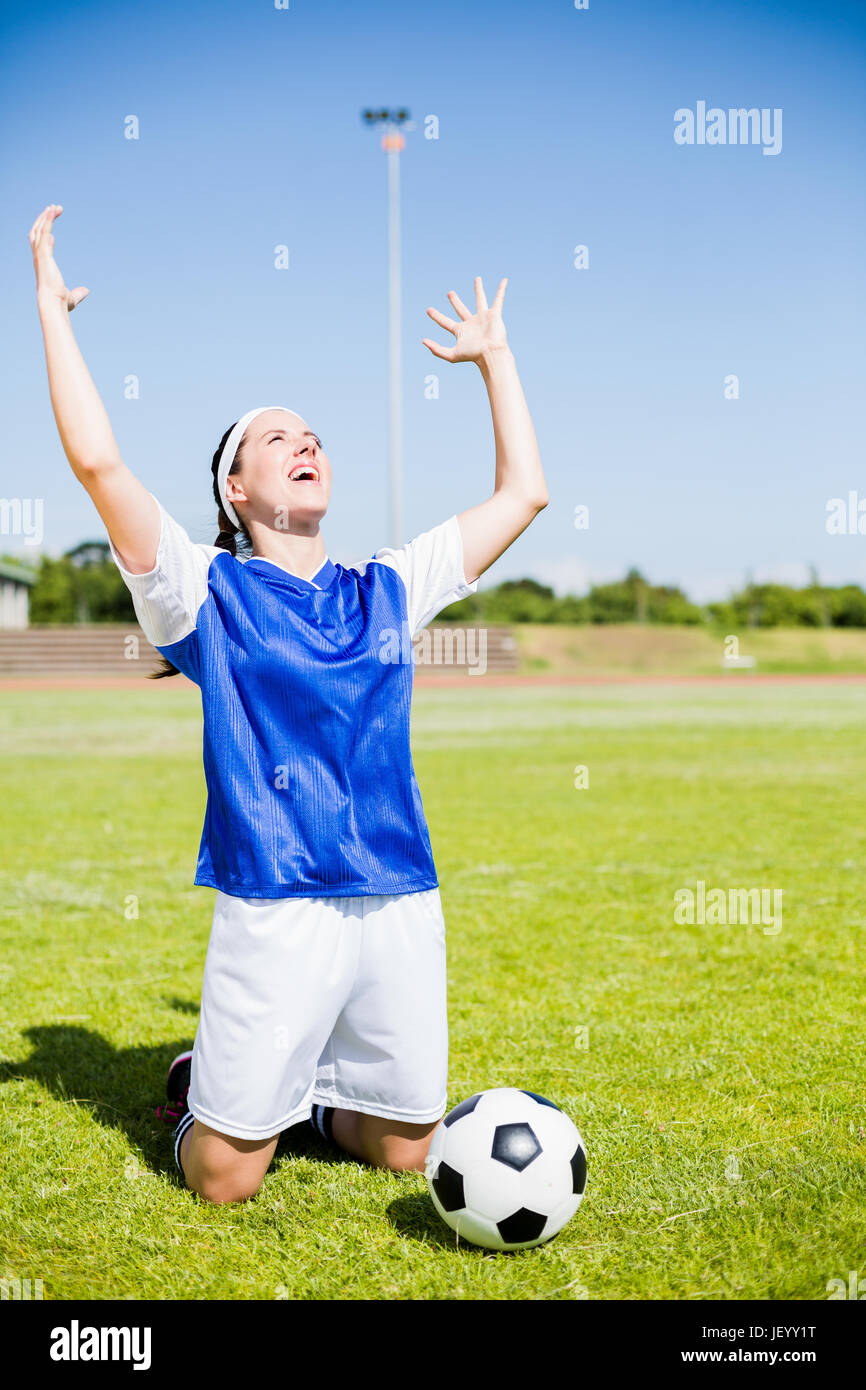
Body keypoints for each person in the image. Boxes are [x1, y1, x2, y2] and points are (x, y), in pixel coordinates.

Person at [29, 202, 549, 1204]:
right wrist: (52, 308)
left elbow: (522, 492)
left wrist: (495, 359)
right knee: (226, 1182)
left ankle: (304, 1101)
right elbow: (98, 463)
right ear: (235, 487)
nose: (304, 444)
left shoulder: (387, 584)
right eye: (276, 438)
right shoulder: (200, 589)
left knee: (407, 1149)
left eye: (311, 435)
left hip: (399, 888)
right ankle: (203, 1091)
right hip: (276, 896)